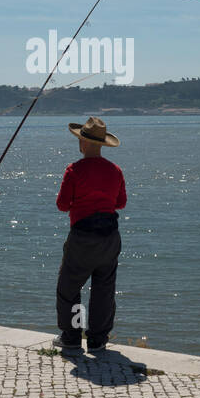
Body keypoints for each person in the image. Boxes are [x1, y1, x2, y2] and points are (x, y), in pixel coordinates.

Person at [53, 116, 126, 357]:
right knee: (104, 288)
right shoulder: (115, 170)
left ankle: (72, 338)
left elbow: (62, 205)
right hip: (109, 235)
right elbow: (121, 203)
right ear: (102, 144)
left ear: (83, 143)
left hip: (83, 235)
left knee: (69, 287)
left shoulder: (74, 170)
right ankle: (97, 340)